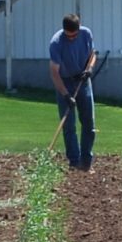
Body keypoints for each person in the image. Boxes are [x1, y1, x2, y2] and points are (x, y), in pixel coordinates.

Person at [48, 12, 98, 171]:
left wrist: (89, 69)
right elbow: (54, 73)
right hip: (64, 81)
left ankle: (86, 162)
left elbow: (92, 55)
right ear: (63, 31)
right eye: (68, 36)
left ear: (78, 29)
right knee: (69, 126)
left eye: (74, 36)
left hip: (83, 81)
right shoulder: (56, 43)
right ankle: (74, 162)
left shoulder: (86, 34)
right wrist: (66, 95)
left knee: (89, 123)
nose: (71, 38)